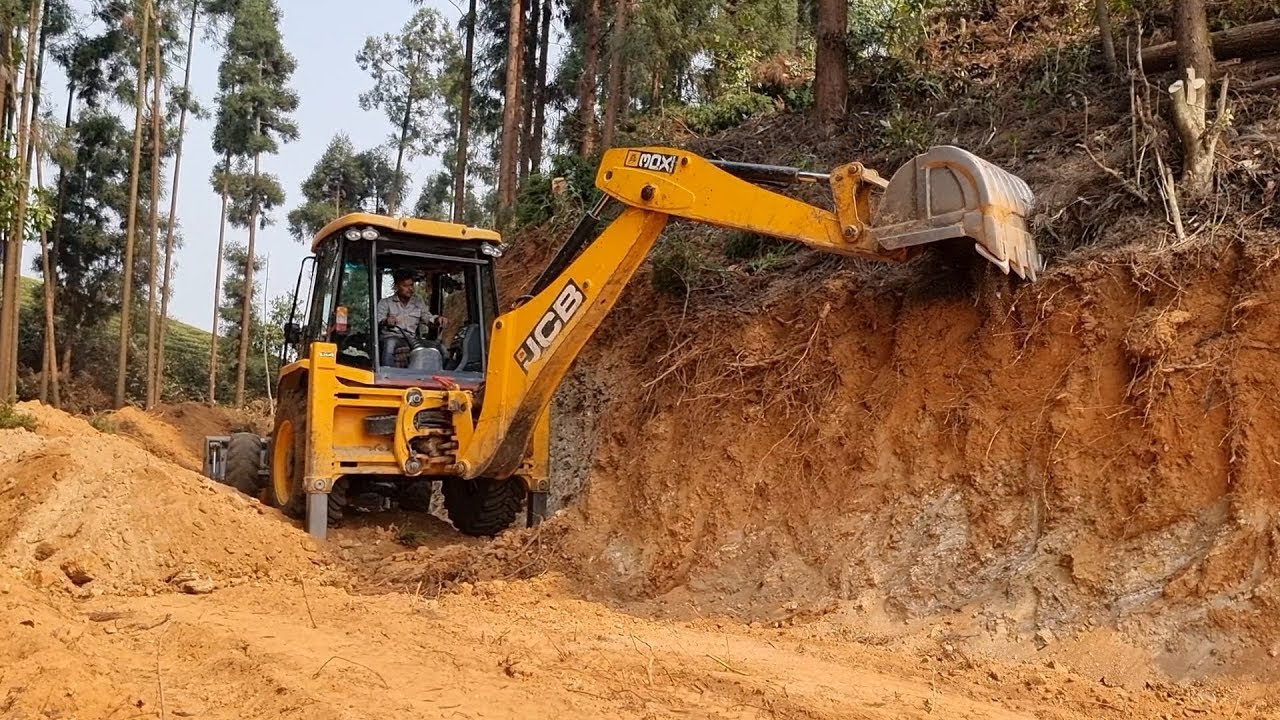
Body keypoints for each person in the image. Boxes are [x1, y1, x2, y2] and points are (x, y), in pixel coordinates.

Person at [375, 269, 447, 337]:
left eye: (411, 285)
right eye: (405, 286)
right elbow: (378, 321)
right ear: (396, 287)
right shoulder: (385, 302)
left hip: (411, 339)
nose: (410, 289)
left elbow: (428, 318)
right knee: (390, 344)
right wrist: (386, 321)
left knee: (433, 348)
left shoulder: (418, 302)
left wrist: (438, 320)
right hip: (391, 337)